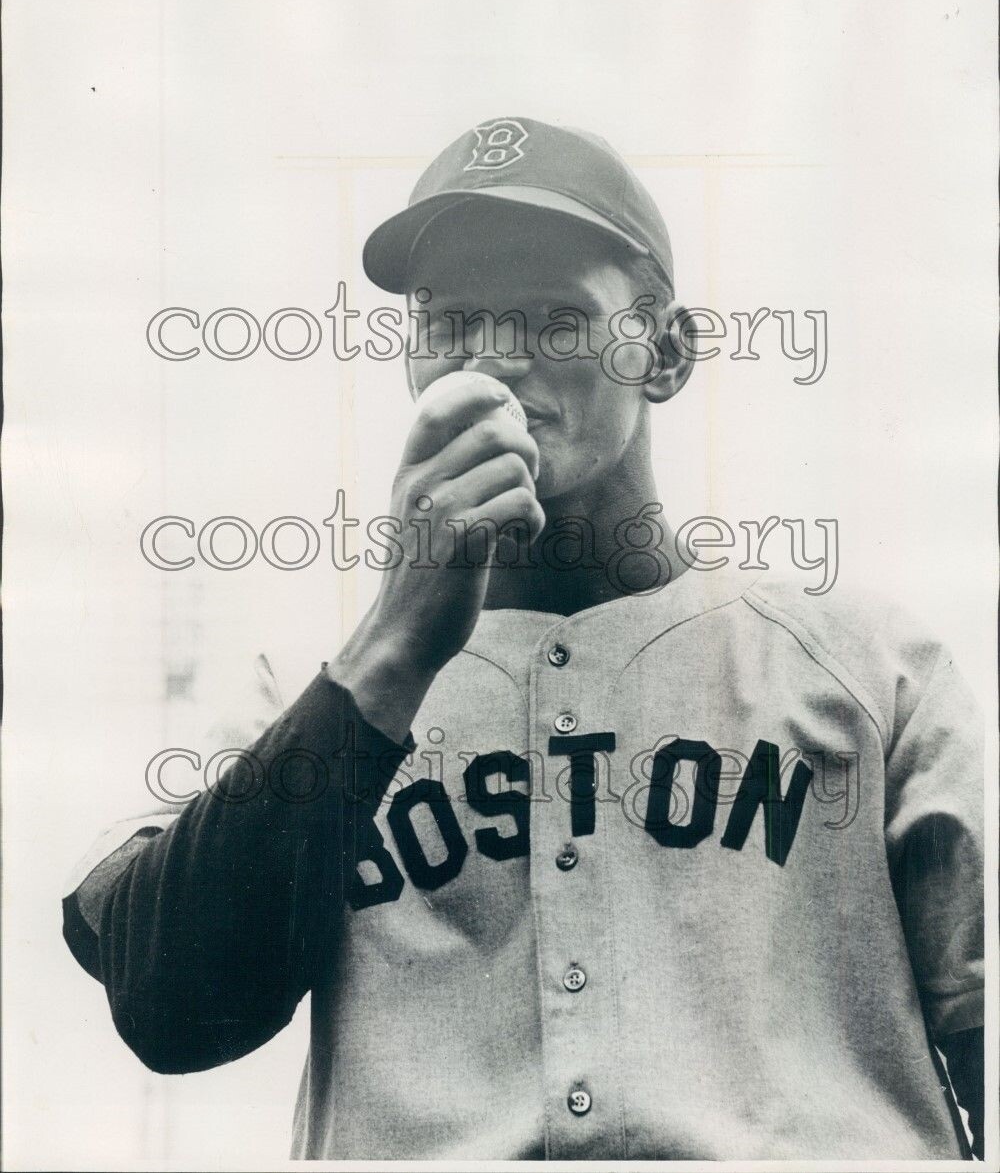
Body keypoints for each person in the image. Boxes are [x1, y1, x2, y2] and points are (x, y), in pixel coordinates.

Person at [63, 116, 984, 1161]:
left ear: (667, 352)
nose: (495, 362)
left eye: (553, 318)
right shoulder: (304, 685)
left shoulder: (865, 663)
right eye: (451, 322)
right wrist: (394, 649)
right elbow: (170, 1006)